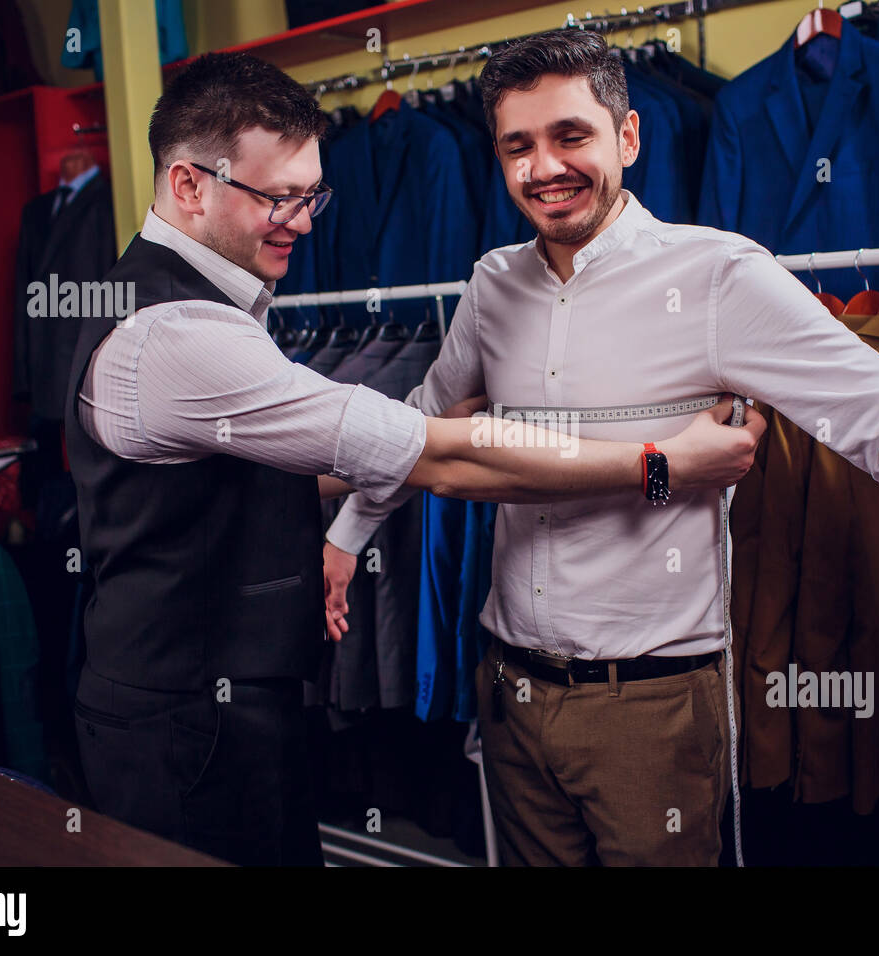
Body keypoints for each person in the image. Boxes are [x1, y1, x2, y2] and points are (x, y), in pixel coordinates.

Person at [323, 29, 879, 866]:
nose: (543, 167)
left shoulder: (715, 279)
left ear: (627, 137)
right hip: (511, 697)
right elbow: (422, 421)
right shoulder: (490, 286)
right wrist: (347, 536)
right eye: (519, 146)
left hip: (651, 715)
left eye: (570, 136)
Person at [63, 51, 760, 867]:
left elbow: (251, 470)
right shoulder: (180, 336)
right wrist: (662, 465)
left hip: (216, 711)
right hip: (184, 730)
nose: (306, 221)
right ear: (189, 186)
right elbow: (443, 455)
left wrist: (337, 536)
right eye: (279, 198)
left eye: (312, 194)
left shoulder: (185, 303)